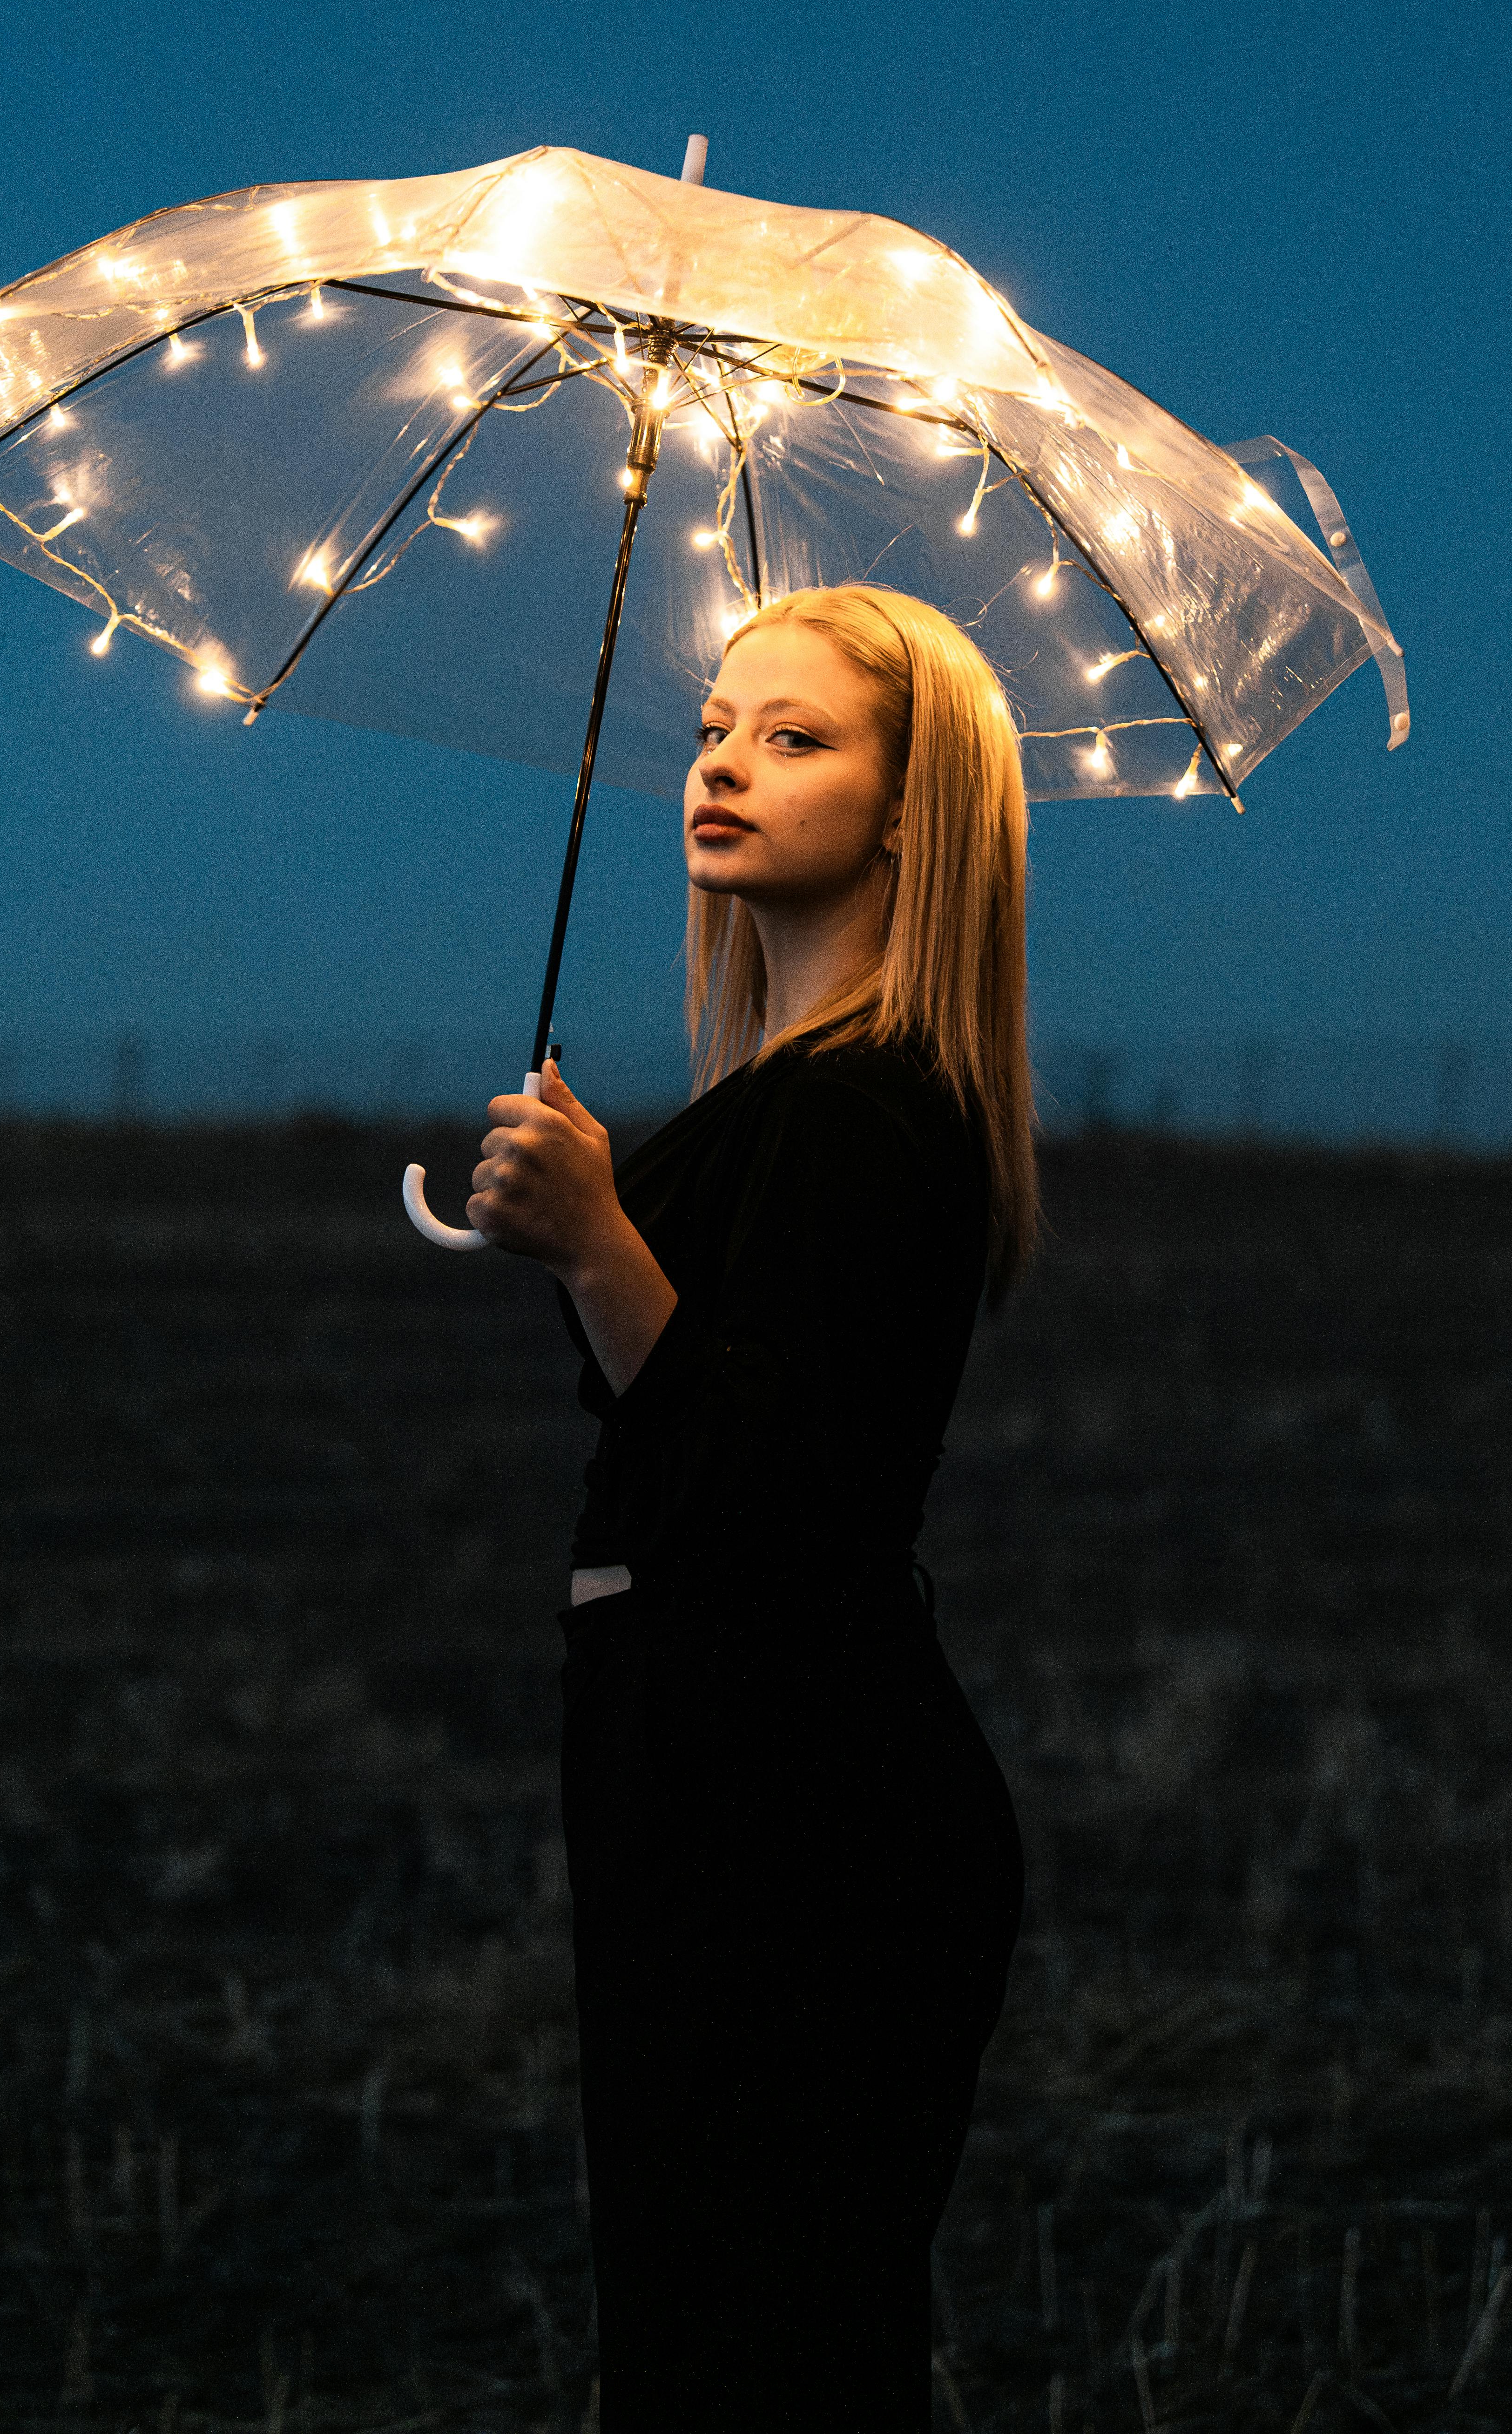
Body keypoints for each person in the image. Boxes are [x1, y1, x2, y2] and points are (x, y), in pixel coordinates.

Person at [465, 583, 1034, 2433]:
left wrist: (603, 1243)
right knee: (717, 2338)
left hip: (806, 1811)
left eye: (796, 736)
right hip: (716, 1780)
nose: (723, 760)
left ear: (908, 810)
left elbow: (779, 1491)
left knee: (761, 2353)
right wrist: (594, 1232)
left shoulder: (878, 1108)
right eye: (716, 723)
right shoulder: (777, 1098)